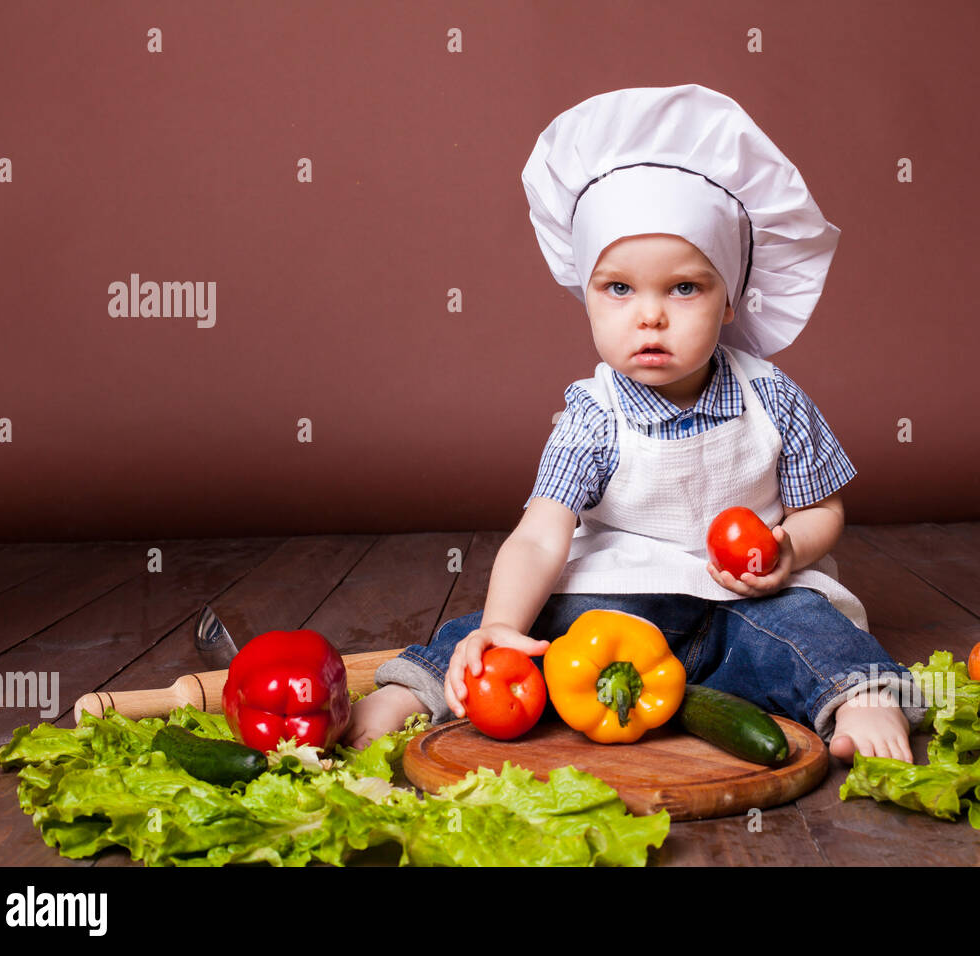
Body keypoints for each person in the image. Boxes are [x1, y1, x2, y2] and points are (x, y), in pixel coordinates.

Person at [344, 85, 923, 762]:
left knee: (811, 627)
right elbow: (539, 536)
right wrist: (504, 624)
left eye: (685, 288)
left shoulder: (775, 397)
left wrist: (789, 550)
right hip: (617, 608)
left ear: (731, 296)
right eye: (619, 288)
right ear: (584, 293)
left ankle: (861, 696)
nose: (650, 316)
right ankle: (416, 690)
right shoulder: (592, 417)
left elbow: (822, 509)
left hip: (746, 609)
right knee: (528, 631)